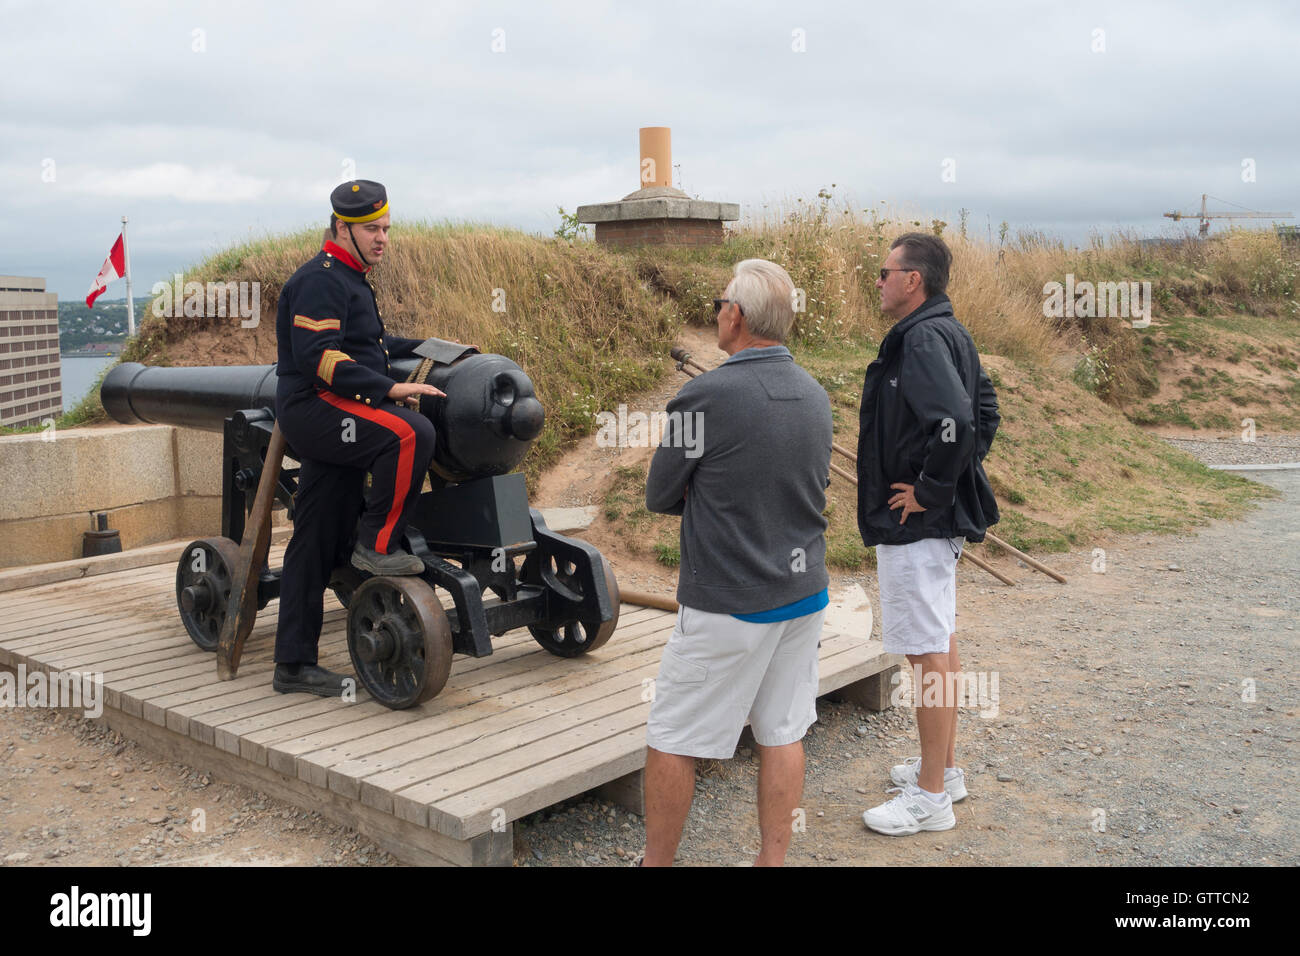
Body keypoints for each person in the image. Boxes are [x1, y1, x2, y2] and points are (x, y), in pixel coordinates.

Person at [642, 259, 833, 866]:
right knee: (782, 731)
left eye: (722, 301)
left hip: (728, 600)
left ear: (738, 315)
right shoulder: (814, 393)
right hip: (804, 594)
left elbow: (659, 494)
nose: (718, 310)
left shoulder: (706, 395)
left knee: (673, 735)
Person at [271, 180, 444, 697]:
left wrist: (428, 347)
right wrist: (388, 388)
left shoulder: (350, 277)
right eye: (372, 229)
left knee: (314, 537)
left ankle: (293, 664)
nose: (382, 238)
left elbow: (368, 343)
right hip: (314, 407)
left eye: (387, 229)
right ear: (341, 228)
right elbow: (320, 357)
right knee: (410, 434)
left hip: (339, 408)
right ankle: (378, 544)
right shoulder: (321, 280)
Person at [856, 233, 1000, 835]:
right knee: (939, 642)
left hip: (917, 523)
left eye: (885, 273)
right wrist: (956, 475)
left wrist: (930, 490)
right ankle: (945, 768)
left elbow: (958, 420)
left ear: (912, 280)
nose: (879, 281)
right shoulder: (948, 329)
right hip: (931, 524)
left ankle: (931, 797)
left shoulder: (921, 338)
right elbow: (984, 411)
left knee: (926, 655)